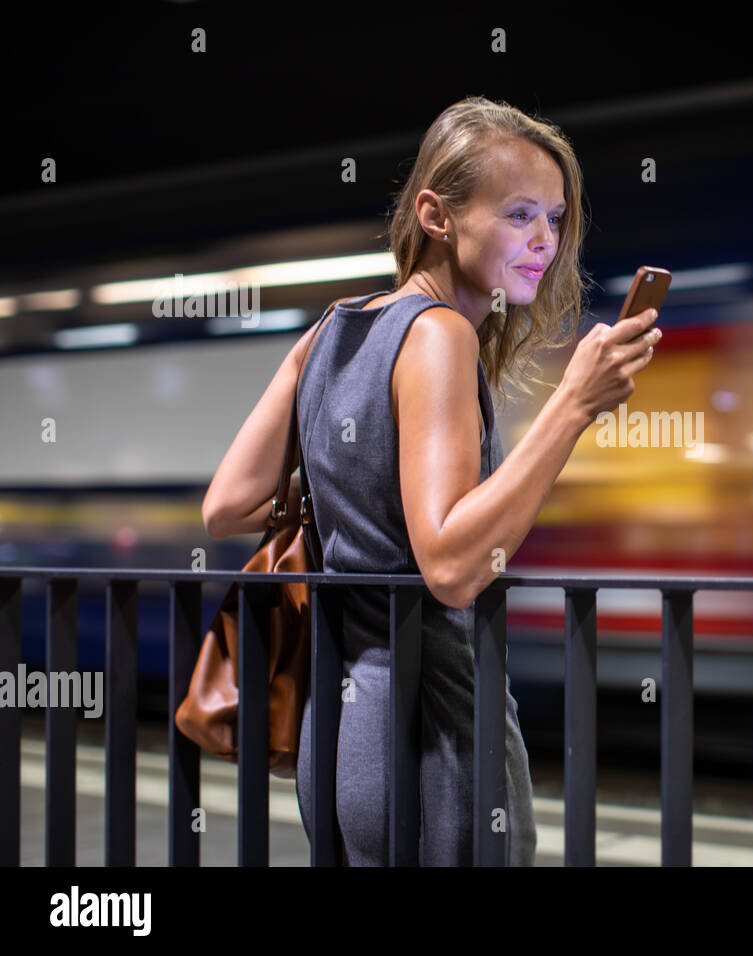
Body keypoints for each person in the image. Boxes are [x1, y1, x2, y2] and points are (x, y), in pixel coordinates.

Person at [200, 95, 663, 864]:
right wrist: (573, 406)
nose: (544, 241)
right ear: (436, 215)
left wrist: (359, 488)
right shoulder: (440, 335)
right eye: (519, 215)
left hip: (340, 731)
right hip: (436, 728)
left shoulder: (333, 329)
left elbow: (227, 505)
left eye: (554, 218)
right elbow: (449, 565)